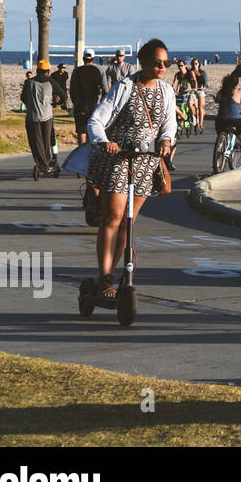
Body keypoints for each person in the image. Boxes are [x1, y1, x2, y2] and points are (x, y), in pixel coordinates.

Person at [87, 39, 176, 300]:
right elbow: (96, 120)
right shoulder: (125, 87)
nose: (162, 67)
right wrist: (105, 142)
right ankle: (104, 279)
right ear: (144, 62)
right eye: (157, 63)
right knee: (112, 218)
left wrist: (166, 141)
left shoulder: (167, 91)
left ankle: (114, 276)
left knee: (129, 223)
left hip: (147, 162)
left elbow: (169, 124)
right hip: (119, 160)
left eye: (166, 63)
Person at [20, 60, 57, 179]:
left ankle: (43, 165)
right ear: (48, 71)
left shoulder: (29, 82)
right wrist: (54, 103)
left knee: (36, 142)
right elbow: (64, 95)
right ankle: (46, 163)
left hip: (32, 116)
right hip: (47, 116)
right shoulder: (51, 82)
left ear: (37, 70)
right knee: (46, 140)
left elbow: (23, 98)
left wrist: (31, 104)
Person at [212, 69, 241, 166]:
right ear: (236, 85)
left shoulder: (220, 92)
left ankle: (217, 163)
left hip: (220, 120)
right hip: (235, 120)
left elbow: (217, 101)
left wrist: (215, 99)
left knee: (221, 142)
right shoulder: (238, 93)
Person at [69, 50, 106, 146]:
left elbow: (72, 90)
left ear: (83, 58)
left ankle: (81, 153)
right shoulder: (99, 70)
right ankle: (92, 154)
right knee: (93, 129)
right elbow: (105, 90)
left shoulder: (76, 71)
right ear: (94, 58)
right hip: (95, 105)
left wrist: (75, 102)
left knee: (81, 131)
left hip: (80, 105)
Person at [190, 58, 209, 131]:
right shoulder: (190, 72)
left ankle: (200, 124)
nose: (194, 65)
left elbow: (206, 81)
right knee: (191, 105)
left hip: (200, 90)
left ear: (198, 64)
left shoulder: (202, 72)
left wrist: (204, 87)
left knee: (201, 107)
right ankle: (194, 119)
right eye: (193, 64)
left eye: (196, 63)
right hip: (192, 91)